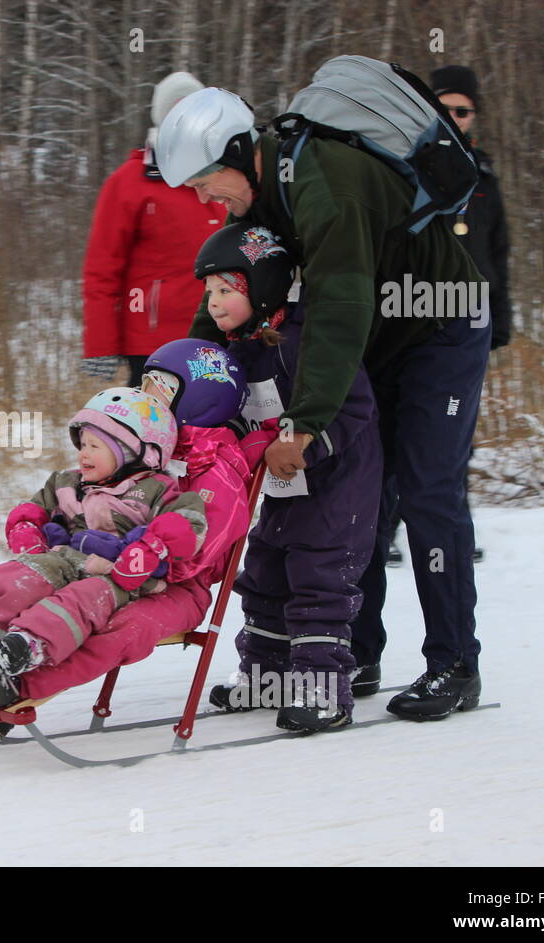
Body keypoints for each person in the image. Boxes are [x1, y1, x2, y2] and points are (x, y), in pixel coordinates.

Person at [157, 85, 487, 720]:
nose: (203, 198)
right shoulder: (259, 195)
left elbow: (337, 310)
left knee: (426, 491)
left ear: (236, 152)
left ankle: (454, 663)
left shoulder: (323, 189)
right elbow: (223, 303)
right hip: (377, 332)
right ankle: (356, 651)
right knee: (362, 486)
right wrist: (173, 391)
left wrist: (305, 426)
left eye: (204, 181)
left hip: (440, 325)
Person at [175, 222, 382, 732]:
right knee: (265, 570)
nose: (214, 303)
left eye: (226, 290)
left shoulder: (304, 341)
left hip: (338, 485)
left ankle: (322, 692)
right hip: (280, 488)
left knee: (318, 578)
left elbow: (354, 408)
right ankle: (267, 679)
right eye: (209, 292)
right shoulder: (239, 349)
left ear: (262, 288)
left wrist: (309, 450)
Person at [0, 388, 210, 741]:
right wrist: (25, 528)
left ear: (133, 452)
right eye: (82, 444)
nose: (83, 455)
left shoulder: (159, 491)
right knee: (23, 578)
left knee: (86, 597)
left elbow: (188, 524)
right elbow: (32, 508)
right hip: (65, 561)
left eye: (95, 446)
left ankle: (28, 647)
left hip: (117, 575)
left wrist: (151, 546)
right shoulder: (66, 483)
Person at [384, 65, 513, 567]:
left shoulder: (484, 175)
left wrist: (501, 316)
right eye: (446, 108)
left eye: (464, 110)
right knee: (404, 425)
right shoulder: (405, 165)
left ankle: (453, 521)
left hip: (469, 323)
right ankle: (389, 525)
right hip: (413, 315)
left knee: (457, 429)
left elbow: (498, 251)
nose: (455, 118)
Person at [81, 72, 228, 387]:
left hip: (221, 338)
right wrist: (101, 345)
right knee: (155, 433)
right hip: (152, 346)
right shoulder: (128, 184)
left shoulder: (224, 176)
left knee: (214, 433)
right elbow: (101, 271)